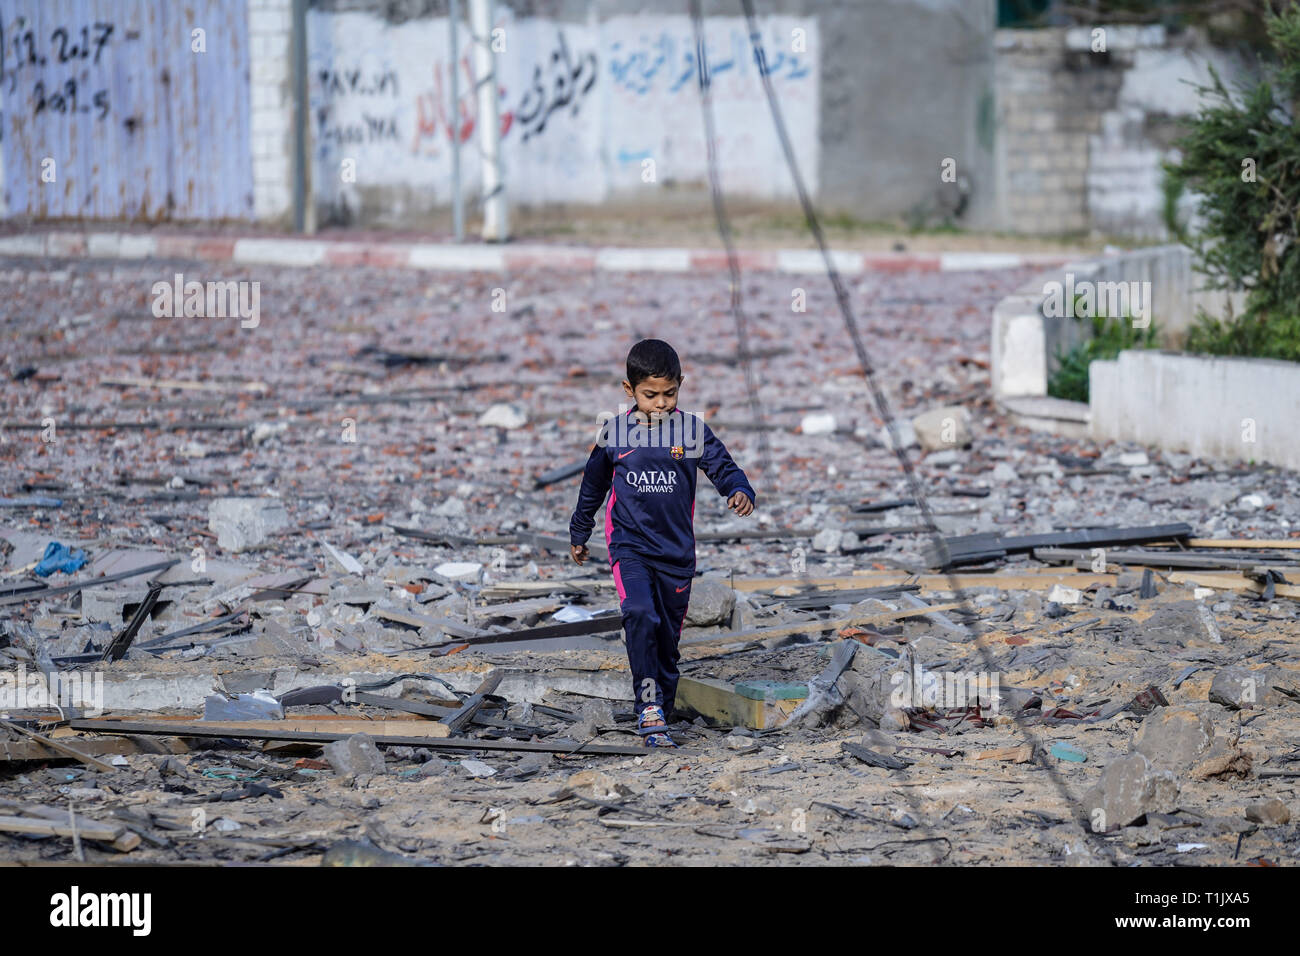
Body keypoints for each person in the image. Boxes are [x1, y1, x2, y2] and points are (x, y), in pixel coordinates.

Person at [569, 339, 756, 747]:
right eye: (650, 395)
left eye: (669, 394)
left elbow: (722, 466)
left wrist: (739, 489)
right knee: (639, 613)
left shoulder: (689, 430)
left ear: (681, 386)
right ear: (629, 390)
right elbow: (593, 484)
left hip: (675, 554)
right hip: (629, 546)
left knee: (668, 644)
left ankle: (662, 709)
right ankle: (648, 709)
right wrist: (579, 531)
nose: (660, 403)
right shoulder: (616, 433)